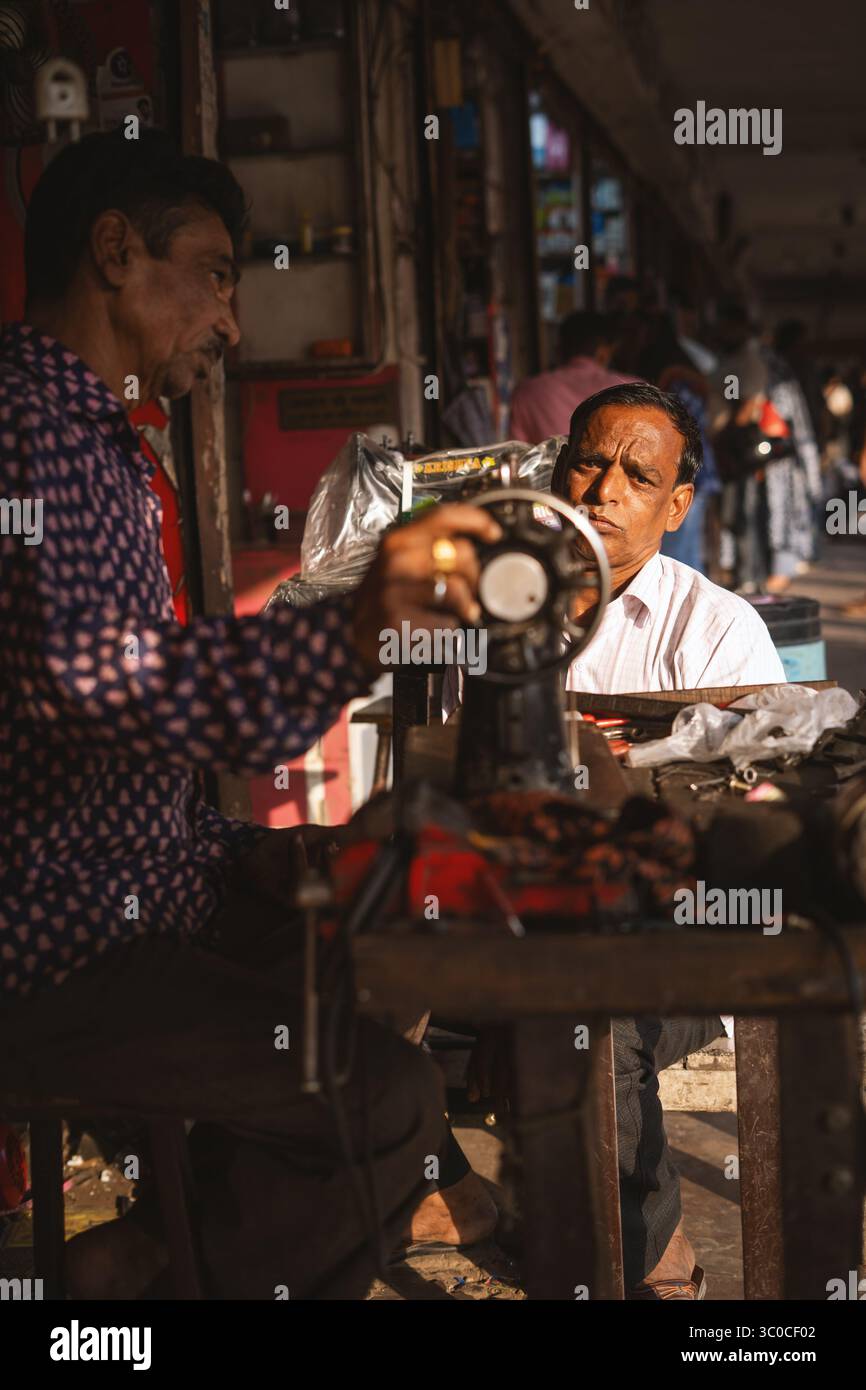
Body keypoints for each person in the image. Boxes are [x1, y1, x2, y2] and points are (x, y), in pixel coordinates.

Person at [0, 127, 503, 1299]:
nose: (231, 323)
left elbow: (121, 768)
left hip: (130, 893)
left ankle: (179, 1244)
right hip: (47, 941)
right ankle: (164, 1276)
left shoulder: (109, 448)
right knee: (383, 1093)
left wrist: (265, 854)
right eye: (217, 275)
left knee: (402, 931)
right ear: (116, 253)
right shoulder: (22, 428)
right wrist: (350, 624)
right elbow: (90, 683)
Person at [638, 312, 721, 575]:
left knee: (680, 555)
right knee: (683, 549)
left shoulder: (673, 379)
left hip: (681, 471)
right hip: (691, 471)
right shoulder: (686, 373)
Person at [509, 310, 637, 444]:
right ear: (603, 352)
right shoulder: (632, 389)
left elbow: (517, 452)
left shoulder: (528, 391)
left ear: (559, 349)